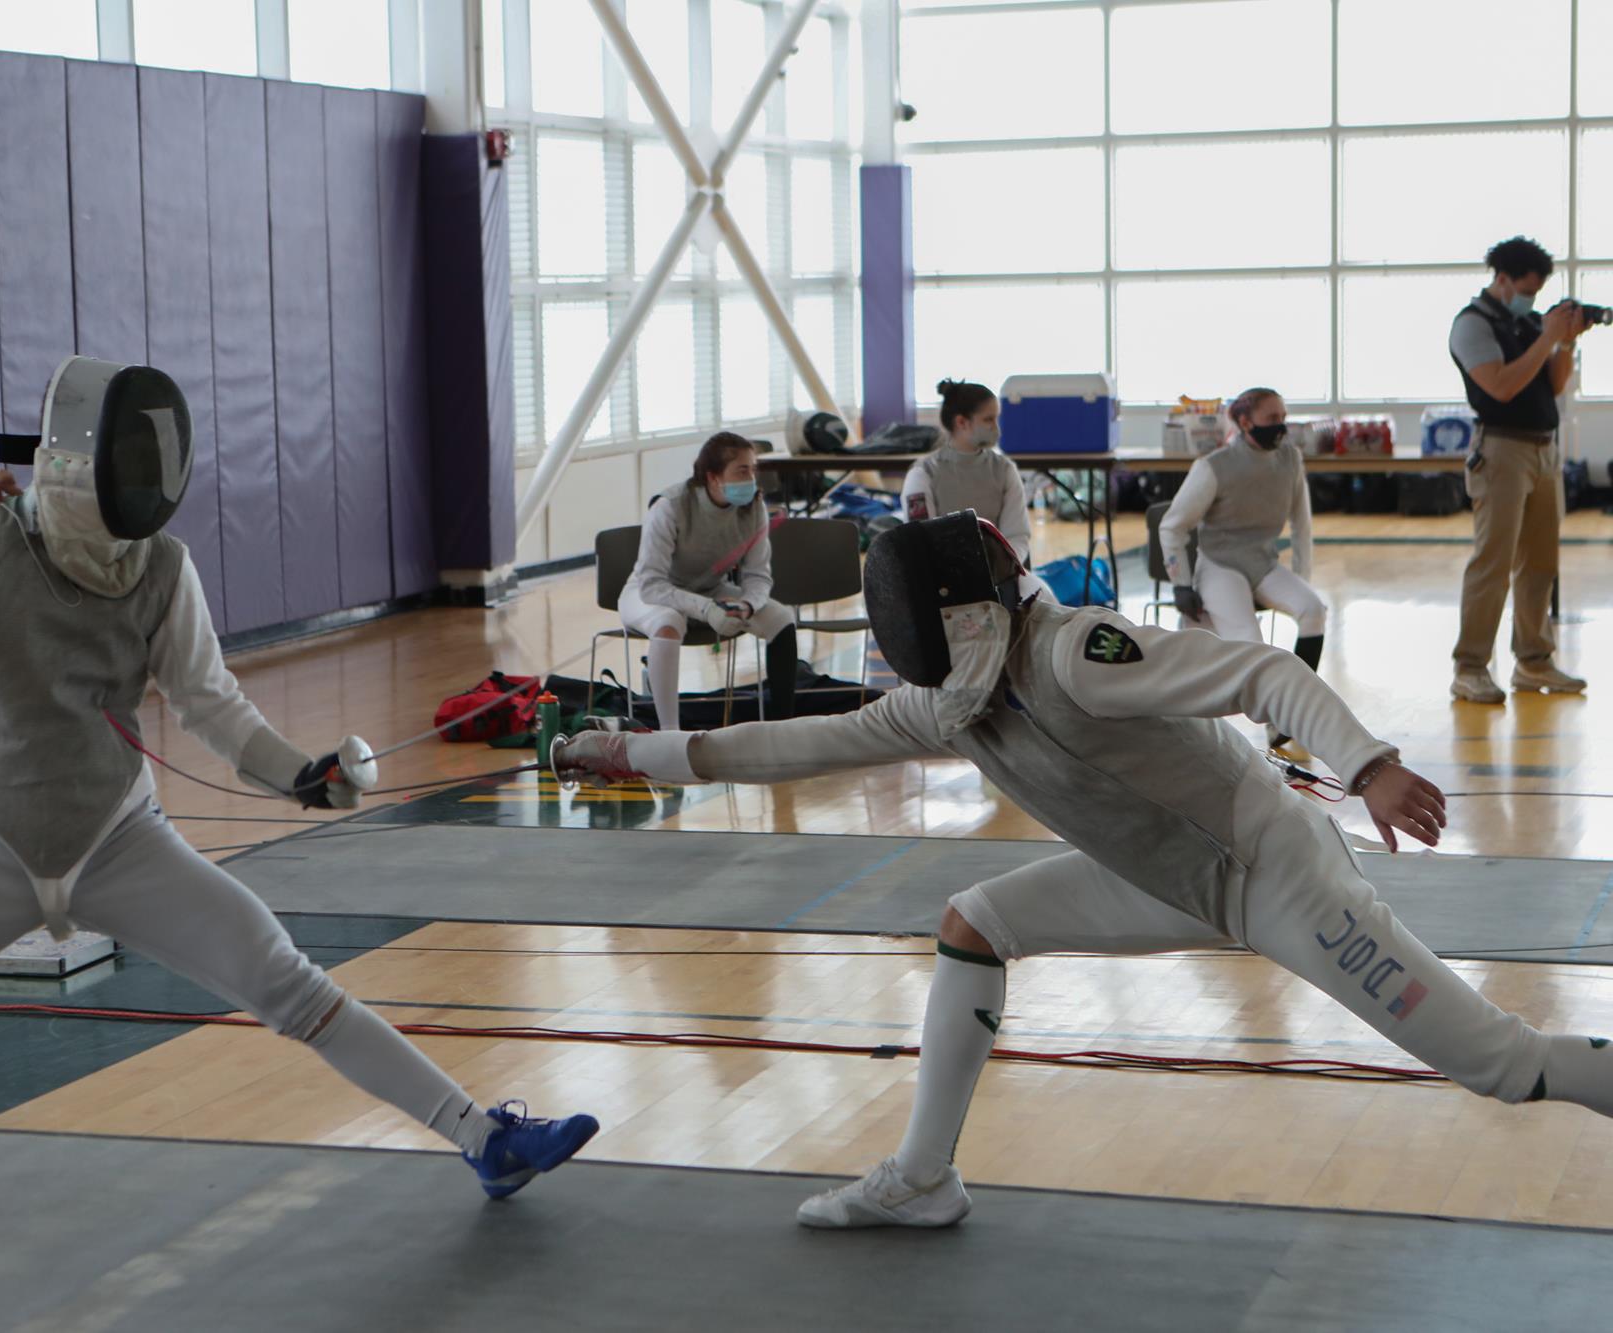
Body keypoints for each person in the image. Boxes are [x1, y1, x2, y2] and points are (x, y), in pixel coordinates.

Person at [0, 358, 597, 1239]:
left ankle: (482, 1137)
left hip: (122, 839)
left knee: (286, 980)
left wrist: (299, 773)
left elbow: (213, 705)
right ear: (79, 461)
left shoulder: (161, 567)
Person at [556, 511, 1613, 1230]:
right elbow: (793, 743)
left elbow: (1258, 669)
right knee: (975, 918)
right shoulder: (943, 705)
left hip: (1276, 878)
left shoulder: (1073, 652)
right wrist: (632, 752)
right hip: (1165, 878)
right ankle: (922, 1179)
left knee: (1499, 1065)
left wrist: (1370, 767)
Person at [1448, 235, 1588, 704]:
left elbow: (1554, 384)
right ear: (1502, 279)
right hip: (1501, 451)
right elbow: (1502, 387)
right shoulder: (1471, 325)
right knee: (1494, 562)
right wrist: (1548, 336)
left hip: (1543, 449)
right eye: (1527, 287)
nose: (1532, 298)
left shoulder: (1528, 322)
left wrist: (1564, 343)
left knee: (1541, 563)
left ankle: (1533, 660)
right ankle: (1470, 667)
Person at [1157, 386, 1324, 750]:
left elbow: (1302, 524)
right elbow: (1172, 526)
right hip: (1220, 565)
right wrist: (1180, 583)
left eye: (1283, 417)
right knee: (1251, 644)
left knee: (1313, 610)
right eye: (1272, 418)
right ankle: (1277, 721)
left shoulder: (1290, 459)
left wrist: (1301, 577)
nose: (1281, 426)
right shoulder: (1213, 466)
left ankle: (1298, 709)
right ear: (1245, 422)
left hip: (1263, 561)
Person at [618, 431, 797, 732]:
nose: (751, 478)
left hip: (710, 590)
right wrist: (707, 610)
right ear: (713, 477)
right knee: (668, 622)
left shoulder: (754, 509)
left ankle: (783, 728)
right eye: (742, 470)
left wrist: (746, 605)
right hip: (650, 594)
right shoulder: (669, 506)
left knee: (781, 617)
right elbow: (652, 584)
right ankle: (670, 734)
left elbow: (758, 576)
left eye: (753, 469)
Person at [901, 379, 1032, 566]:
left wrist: (1004, 569)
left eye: (997, 418)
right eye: (988, 419)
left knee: (1046, 595)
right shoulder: (922, 473)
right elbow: (920, 541)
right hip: (942, 581)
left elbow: (1017, 535)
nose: (996, 427)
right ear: (962, 422)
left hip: (999, 576)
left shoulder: (1004, 469)